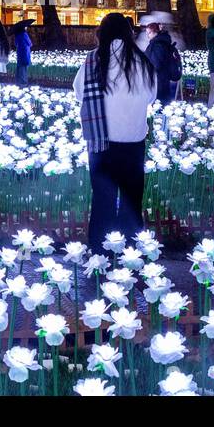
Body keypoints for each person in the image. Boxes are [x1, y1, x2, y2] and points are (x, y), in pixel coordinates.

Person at [74, 13, 157, 250]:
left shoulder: (92, 61)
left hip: (101, 144)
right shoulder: (142, 62)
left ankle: (99, 253)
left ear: (102, 32)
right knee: (131, 201)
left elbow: (79, 93)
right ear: (129, 33)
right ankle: (129, 252)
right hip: (133, 143)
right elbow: (151, 97)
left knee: (102, 201)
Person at [142, 13, 181, 104]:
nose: (148, 36)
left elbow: (156, 64)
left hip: (158, 81)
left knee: (158, 104)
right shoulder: (161, 42)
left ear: (155, 32)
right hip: (162, 80)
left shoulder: (157, 45)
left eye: (149, 33)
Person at [13, 19, 34, 86]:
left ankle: (18, 81)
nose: (26, 27)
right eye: (25, 26)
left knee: (19, 67)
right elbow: (30, 43)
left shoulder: (17, 35)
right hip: (25, 52)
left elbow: (15, 43)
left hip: (19, 52)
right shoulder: (24, 34)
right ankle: (23, 82)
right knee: (24, 68)